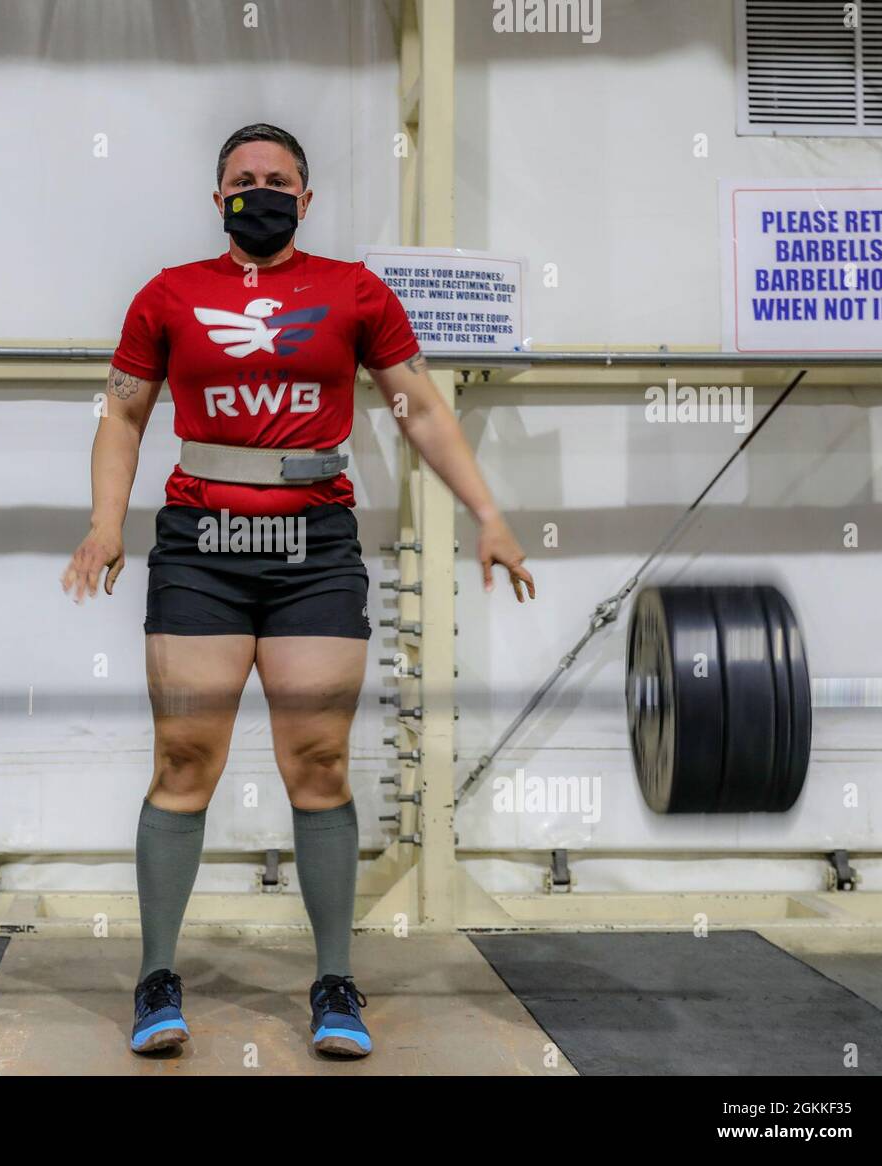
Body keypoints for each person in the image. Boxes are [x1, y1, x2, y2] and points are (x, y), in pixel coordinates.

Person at [62, 123, 534, 1059]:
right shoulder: (169, 294)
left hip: (313, 543)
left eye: (278, 179)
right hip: (202, 542)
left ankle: (333, 981)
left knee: (316, 759)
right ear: (219, 197)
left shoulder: (354, 291)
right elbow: (121, 413)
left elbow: (421, 408)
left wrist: (488, 511)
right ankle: (157, 975)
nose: (261, 190)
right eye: (243, 179)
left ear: (306, 199)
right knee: (184, 758)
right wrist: (107, 521)